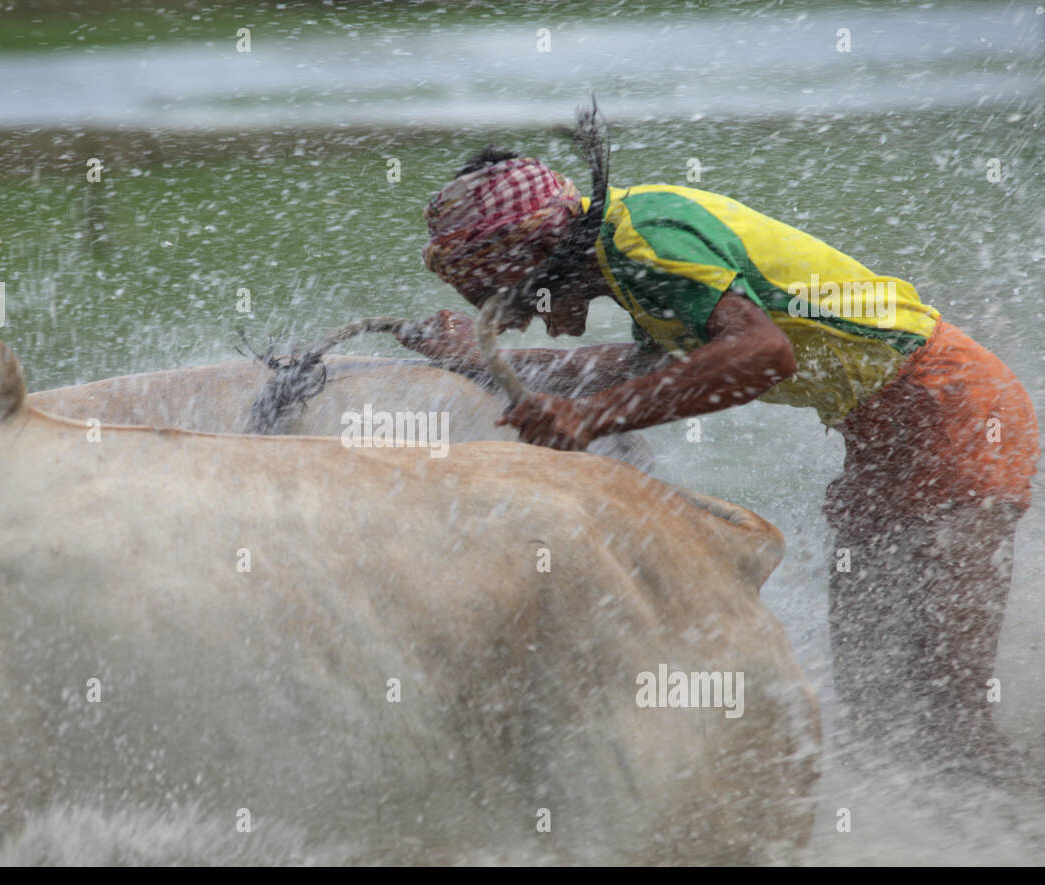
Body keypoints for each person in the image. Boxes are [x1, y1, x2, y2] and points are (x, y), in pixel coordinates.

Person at [396, 110, 1040, 772]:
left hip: (958, 410)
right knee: (875, 705)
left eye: (499, 297)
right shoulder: (626, 258)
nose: (503, 315)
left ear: (538, 252)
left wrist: (589, 419)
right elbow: (639, 367)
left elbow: (763, 353)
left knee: (952, 717)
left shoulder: (647, 237)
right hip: (880, 438)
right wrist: (481, 361)